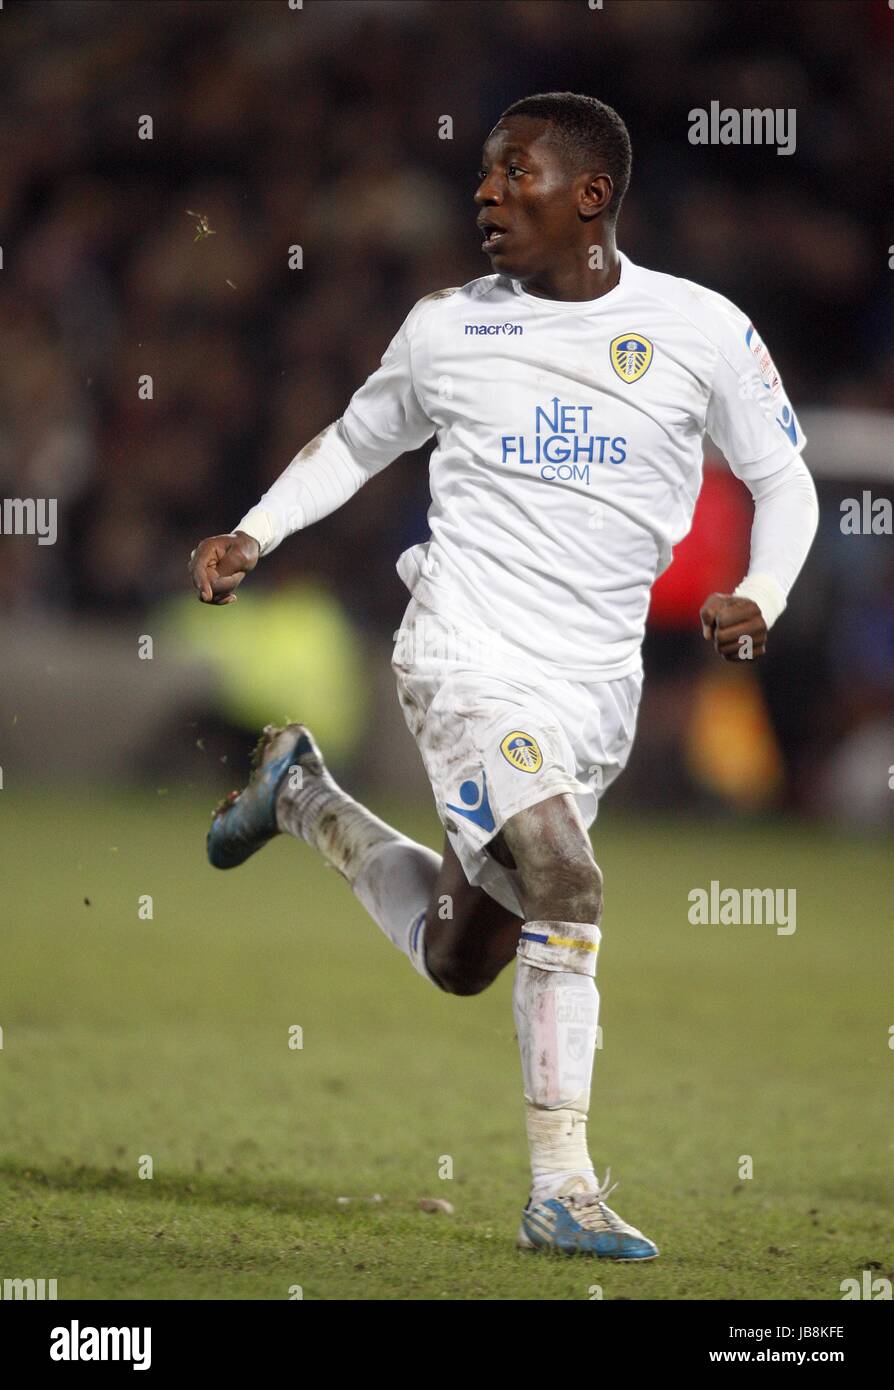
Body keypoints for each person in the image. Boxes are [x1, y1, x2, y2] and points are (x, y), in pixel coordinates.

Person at [189, 92, 818, 1259]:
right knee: (568, 881)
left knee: (461, 952)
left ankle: (303, 798)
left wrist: (760, 596)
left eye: (513, 172)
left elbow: (786, 481)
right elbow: (357, 440)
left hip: (593, 690)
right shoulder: (447, 329)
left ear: (591, 196)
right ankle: (562, 1189)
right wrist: (254, 533)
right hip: (467, 653)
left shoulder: (700, 329)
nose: (484, 193)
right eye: (481, 173)